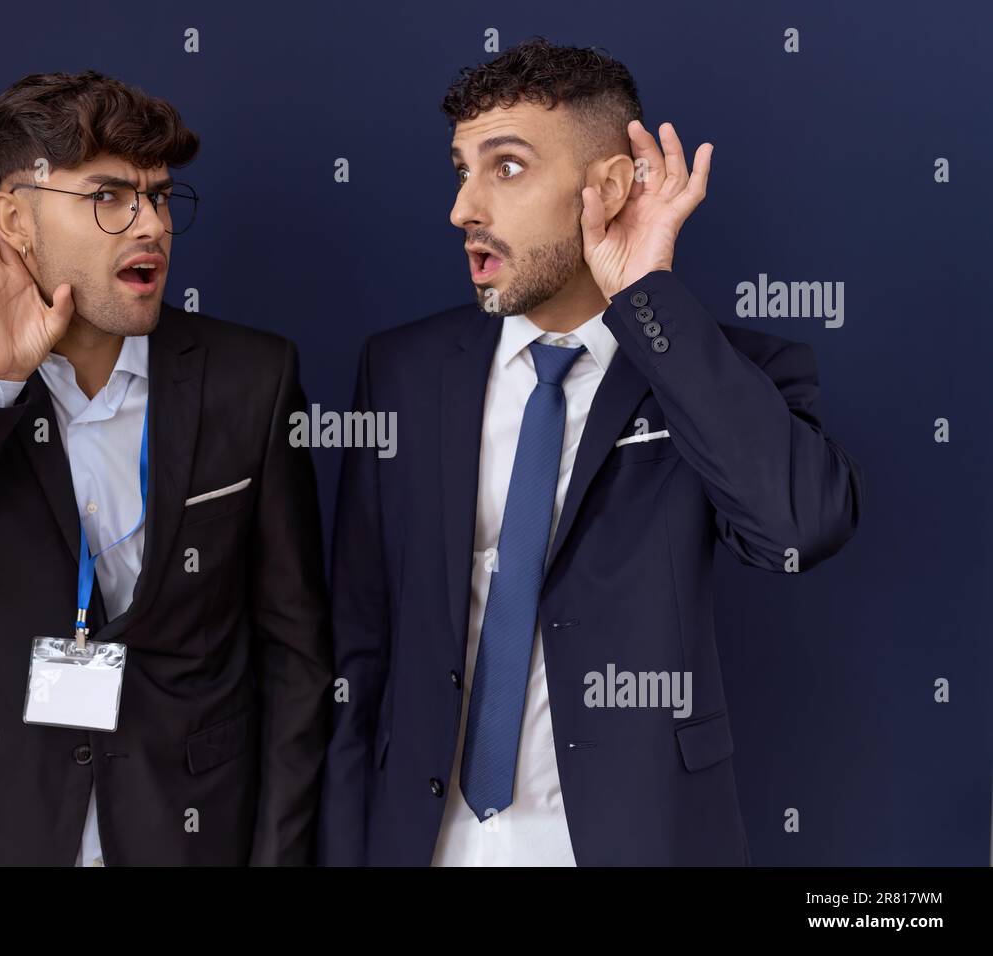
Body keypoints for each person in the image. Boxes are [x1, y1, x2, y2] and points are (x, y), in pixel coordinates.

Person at [318, 39, 864, 865]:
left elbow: (799, 528)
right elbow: (359, 639)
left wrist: (648, 296)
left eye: (505, 168)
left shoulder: (720, 368)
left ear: (606, 187)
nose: (463, 208)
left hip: (634, 837)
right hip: (425, 839)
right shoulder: (401, 369)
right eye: (459, 169)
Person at [0, 70, 332, 865]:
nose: (150, 225)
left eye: (159, 197)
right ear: (14, 220)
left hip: (192, 830)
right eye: (110, 196)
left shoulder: (251, 377)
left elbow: (297, 658)